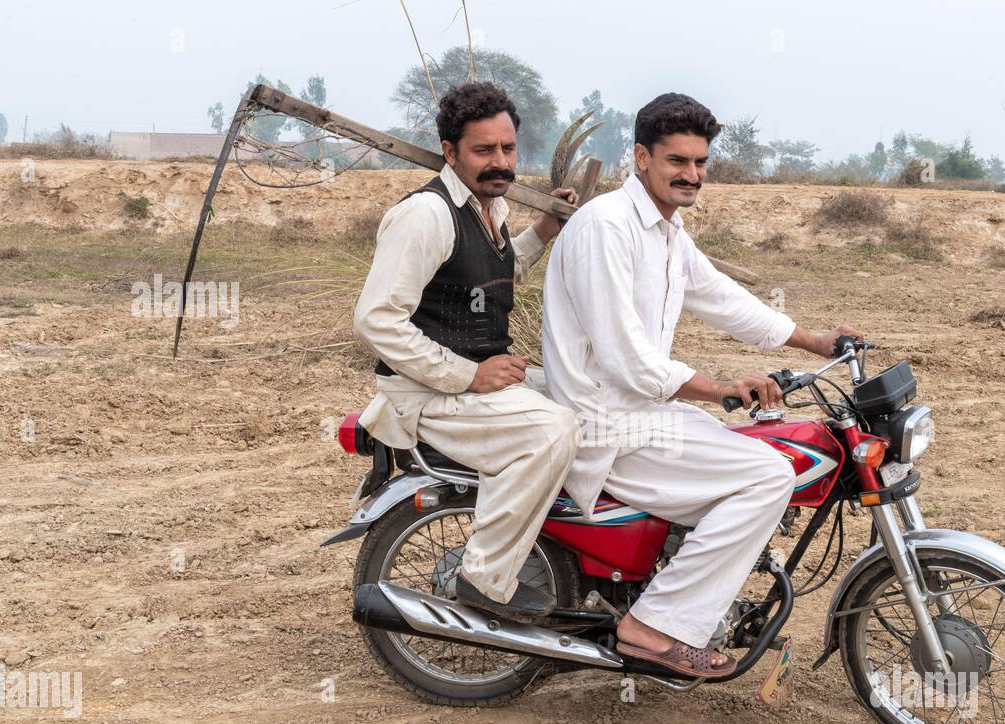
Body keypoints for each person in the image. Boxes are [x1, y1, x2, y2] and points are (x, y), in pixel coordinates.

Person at [541, 92, 862, 677]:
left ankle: (673, 599)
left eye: (700, 162)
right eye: (677, 161)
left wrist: (816, 341)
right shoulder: (606, 227)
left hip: (645, 415)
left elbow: (723, 299)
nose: (691, 174)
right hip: (605, 426)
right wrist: (721, 389)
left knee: (758, 455)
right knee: (769, 474)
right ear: (642, 157)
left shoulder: (668, 231)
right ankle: (651, 626)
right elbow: (623, 358)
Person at [353, 82, 579, 623]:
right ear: (450, 151)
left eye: (507, 148)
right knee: (553, 430)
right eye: (483, 151)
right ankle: (483, 579)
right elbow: (376, 319)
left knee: (594, 399)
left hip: (471, 384)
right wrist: (467, 374)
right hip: (429, 394)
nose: (499, 162)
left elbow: (493, 273)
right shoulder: (426, 215)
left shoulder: (489, 206)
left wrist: (544, 229)